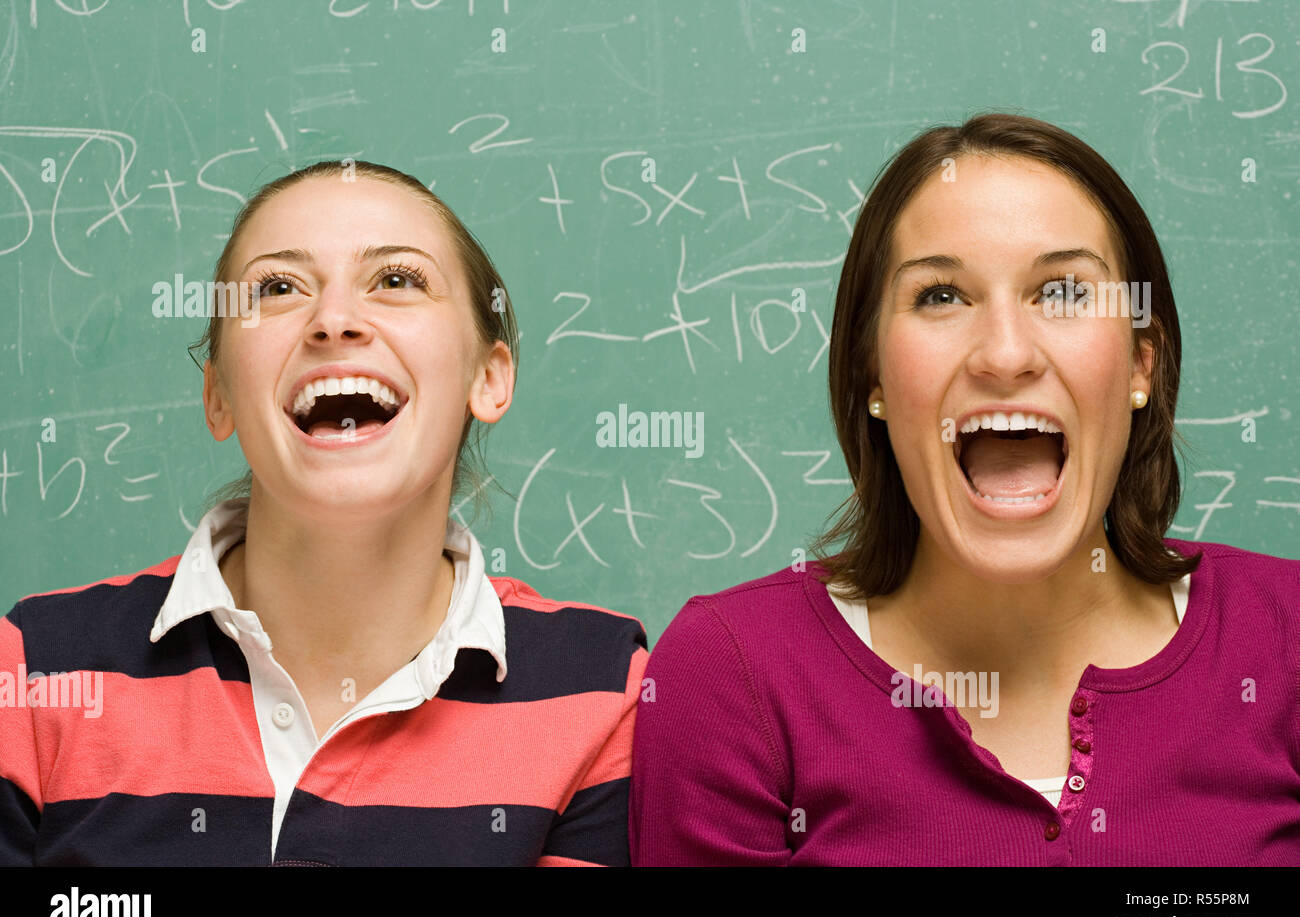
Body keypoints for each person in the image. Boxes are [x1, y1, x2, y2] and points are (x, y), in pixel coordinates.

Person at [629, 114, 1300, 865]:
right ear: (872, 375)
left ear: (1142, 364)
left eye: (1066, 291)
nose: (1005, 353)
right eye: (942, 296)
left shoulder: (1285, 639)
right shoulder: (734, 674)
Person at [0, 160, 647, 866]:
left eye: (397, 280)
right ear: (217, 395)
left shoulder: (599, 691)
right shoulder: (36, 670)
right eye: (278, 288)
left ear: (487, 378)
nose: (334, 321)